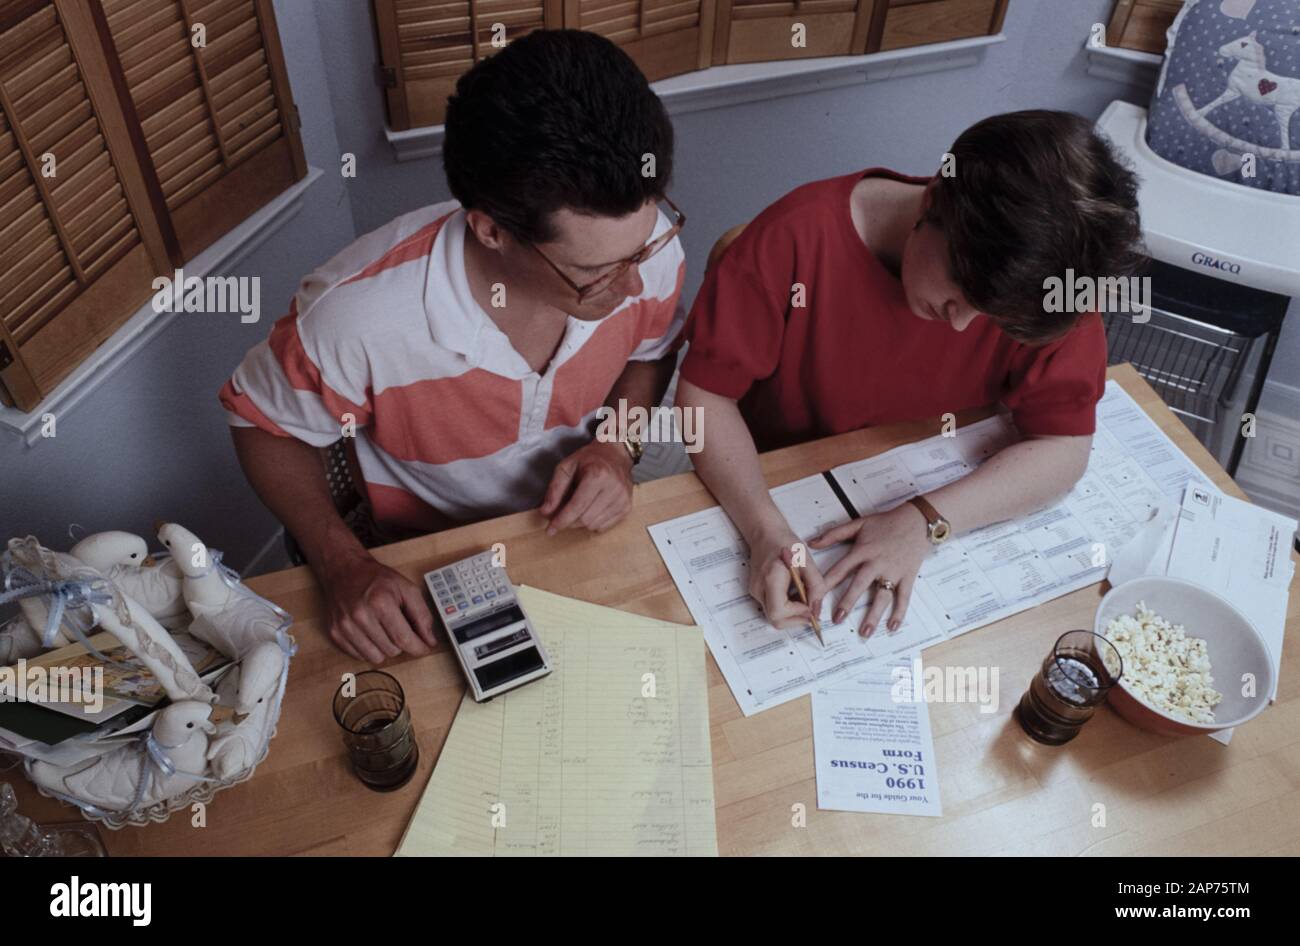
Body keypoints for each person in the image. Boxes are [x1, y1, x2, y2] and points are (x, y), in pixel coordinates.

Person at [220, 31, 686, 663]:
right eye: (596, 273)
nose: (634, 285)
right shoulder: (359, 314)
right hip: (422, 557)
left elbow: (650, 354)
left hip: (574, 530)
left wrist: (617, 447)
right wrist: (341, 565)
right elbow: (262, 427)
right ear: (492, 230)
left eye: (645, 244)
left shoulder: (643, 247)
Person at [675, 110, 1144, 637]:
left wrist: (924, 520)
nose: (963, 324)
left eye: (993, 315)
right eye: (961, 293)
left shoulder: (1044, 280)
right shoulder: (797, 238)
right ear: (933, 201)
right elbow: (705, 397)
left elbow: (1063, 444)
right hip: (782, 483)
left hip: (924, 491)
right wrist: (765, 532)